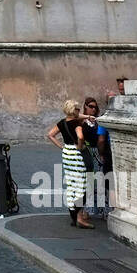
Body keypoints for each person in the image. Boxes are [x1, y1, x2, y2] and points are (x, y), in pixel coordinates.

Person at [46, 100, 94, 228]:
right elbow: (81, 136)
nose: (80, 111)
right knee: (82, 185)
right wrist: (79, 146)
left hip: (67, 153)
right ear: (74, 111)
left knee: (71, 184)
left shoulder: (62, 122)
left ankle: (73, 216)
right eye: (78, 109)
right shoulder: (77, 124)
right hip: (77, 156)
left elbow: (50, 135)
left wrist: (61, 147)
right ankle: (79, 218)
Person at [84, 96, 113, 214]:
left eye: (95, 107)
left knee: (101, 181)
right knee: (91, 181)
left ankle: (102, 210)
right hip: (89, 153)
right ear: (85, 107)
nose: (93, 110)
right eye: (90, 107)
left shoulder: (99, 121)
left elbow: (101, 140)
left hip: (100, 153)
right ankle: (89, 210)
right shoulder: (82, 122)